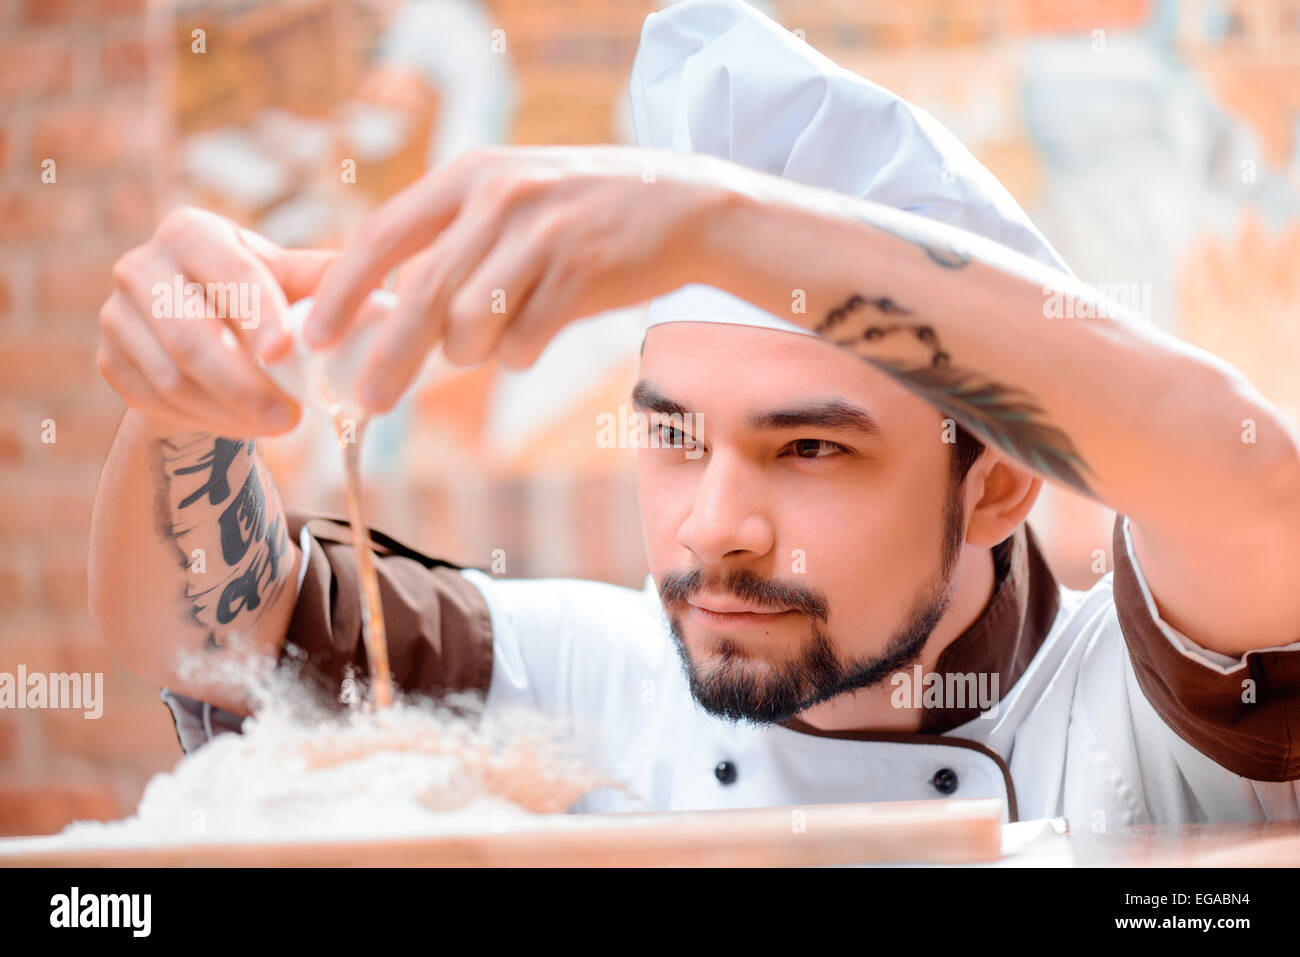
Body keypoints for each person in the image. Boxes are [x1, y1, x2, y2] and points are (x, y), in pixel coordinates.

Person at [88, 0, 1300, 826]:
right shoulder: (579, 682)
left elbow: (1248, 484)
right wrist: (178, 407)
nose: (713, 527)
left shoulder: (1150, 717)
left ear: (994, 481)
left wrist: (711, 223)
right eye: (672, 436)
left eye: (810, 445)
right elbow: (217, 639)